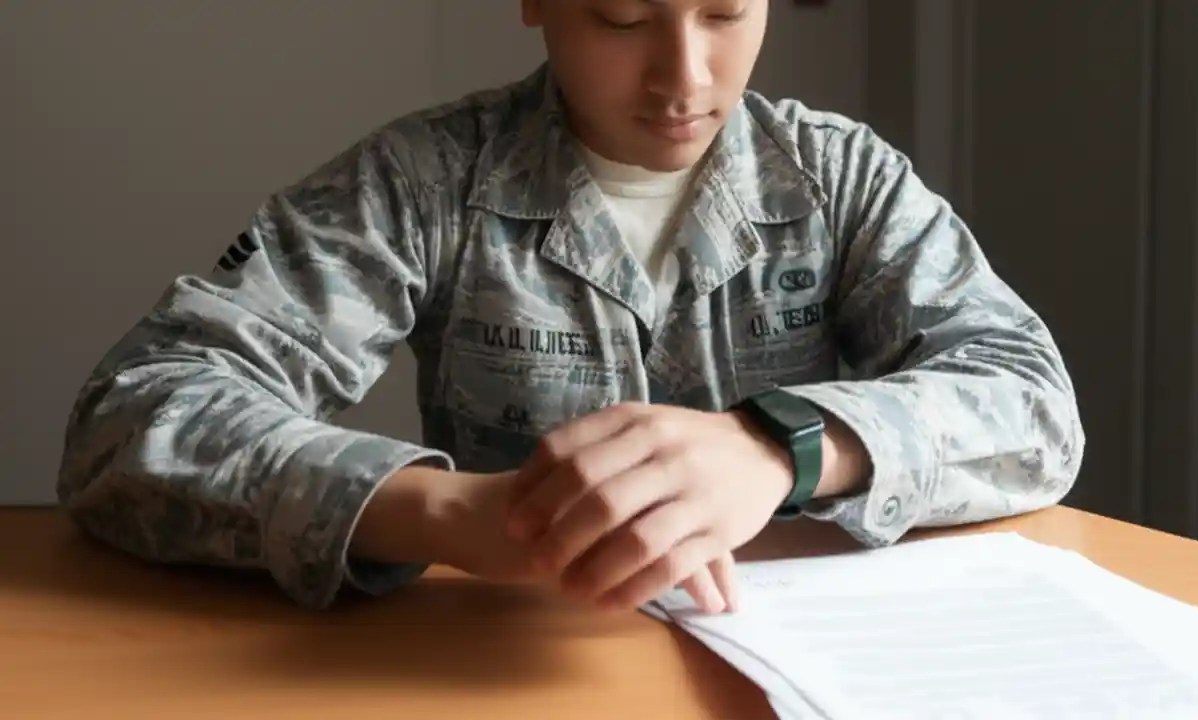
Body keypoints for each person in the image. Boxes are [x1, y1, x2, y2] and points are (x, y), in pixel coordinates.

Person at [56, 0, 1084, 614]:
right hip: (515, 665)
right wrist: (446, 514)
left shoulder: (838, 179)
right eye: (622, 18)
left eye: (726, 11)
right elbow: (132, 418)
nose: (684, 76)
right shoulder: (421, 185)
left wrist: (777, 450)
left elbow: (1027, 400)